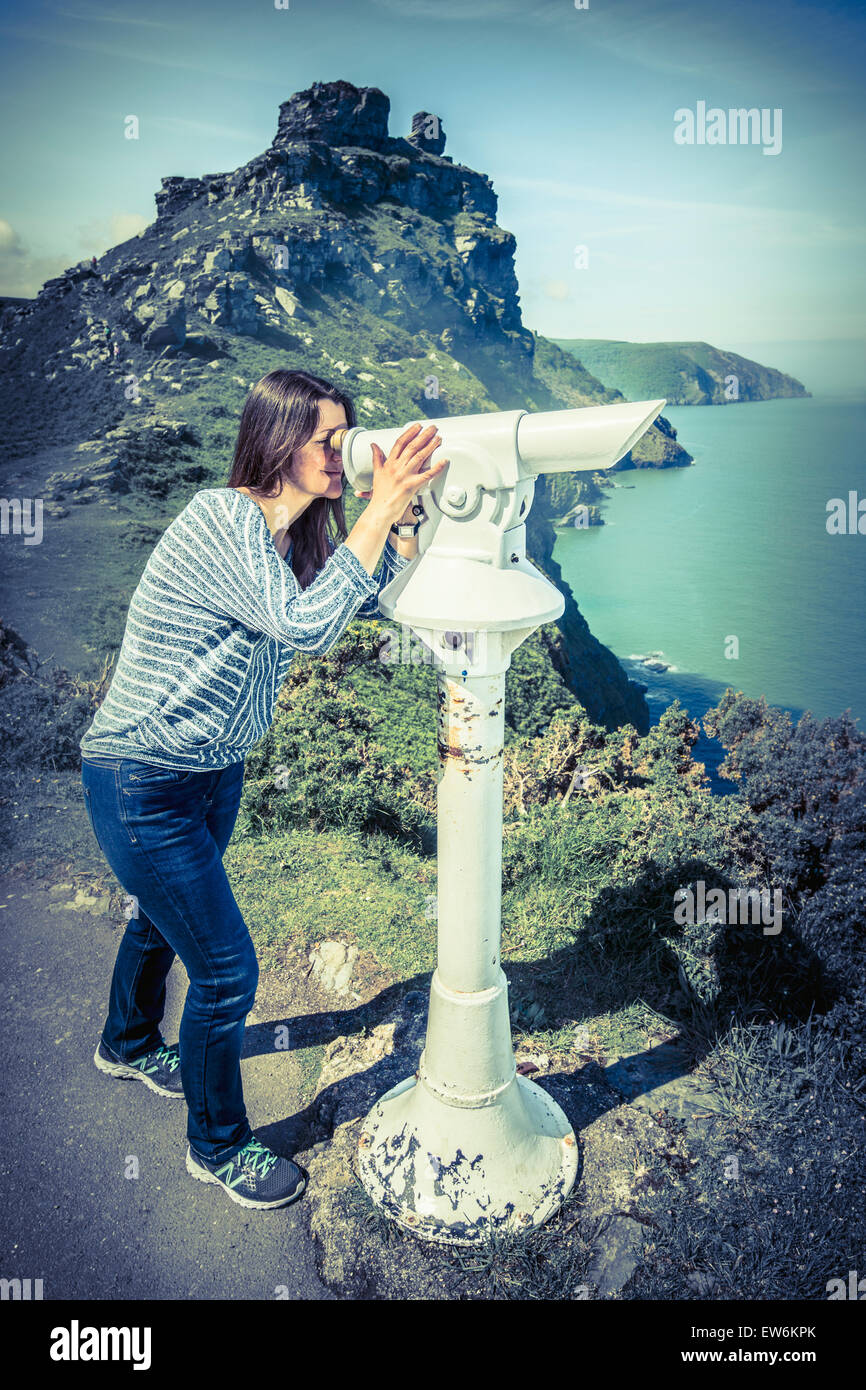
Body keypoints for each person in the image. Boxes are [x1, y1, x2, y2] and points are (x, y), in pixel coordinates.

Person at [79, 368, 448, 1210]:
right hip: (143, 775)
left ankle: (128, 1042)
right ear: (277, 441)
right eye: (327, 440)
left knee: (160, 918)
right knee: (226, 974)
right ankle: (217, 1147)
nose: (339, 454)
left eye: (343, 438)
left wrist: (396, 535)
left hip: (212, 772)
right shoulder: (223, 518)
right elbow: (310, 627)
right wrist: (381, 505)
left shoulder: (295, 543)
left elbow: (374, 609)